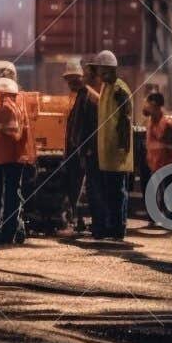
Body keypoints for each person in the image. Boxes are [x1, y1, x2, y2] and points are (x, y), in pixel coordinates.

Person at [0, 77, 35, 245]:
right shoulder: (20, 107)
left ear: (2, 93)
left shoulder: (1, 108)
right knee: (13, 196)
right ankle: (11, 232)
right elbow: (21, 134)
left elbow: (1, 132)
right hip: (16, 157)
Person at [89, 49, 134, 241]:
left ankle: (118, 228)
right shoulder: (106, 88)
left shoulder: (119, 90)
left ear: (109, 69)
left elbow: (125, 121)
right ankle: (111, 226)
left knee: (117, 192)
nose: (98, 74)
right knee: (110, 192)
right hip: (107, 152)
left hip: (116, 152)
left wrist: (122, 147)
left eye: (100, 70)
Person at [60, 58, 99, 235]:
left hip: (82, 151)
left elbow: (89, 126)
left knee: (83, 186)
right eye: (69, 80)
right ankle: (76, 217)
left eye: (74, 79)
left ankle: (81, 219)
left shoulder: (88, 97)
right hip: (74, 151)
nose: (71, 83)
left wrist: (85, 149)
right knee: (73, 185)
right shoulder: (78, 97)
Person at [143, 90, 172, 177]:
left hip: (166, 169)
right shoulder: (150, 122)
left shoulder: (167, 125)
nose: (144, 106)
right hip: (154, 167)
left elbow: (171, 147)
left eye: (146, 103)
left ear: (153, 104)